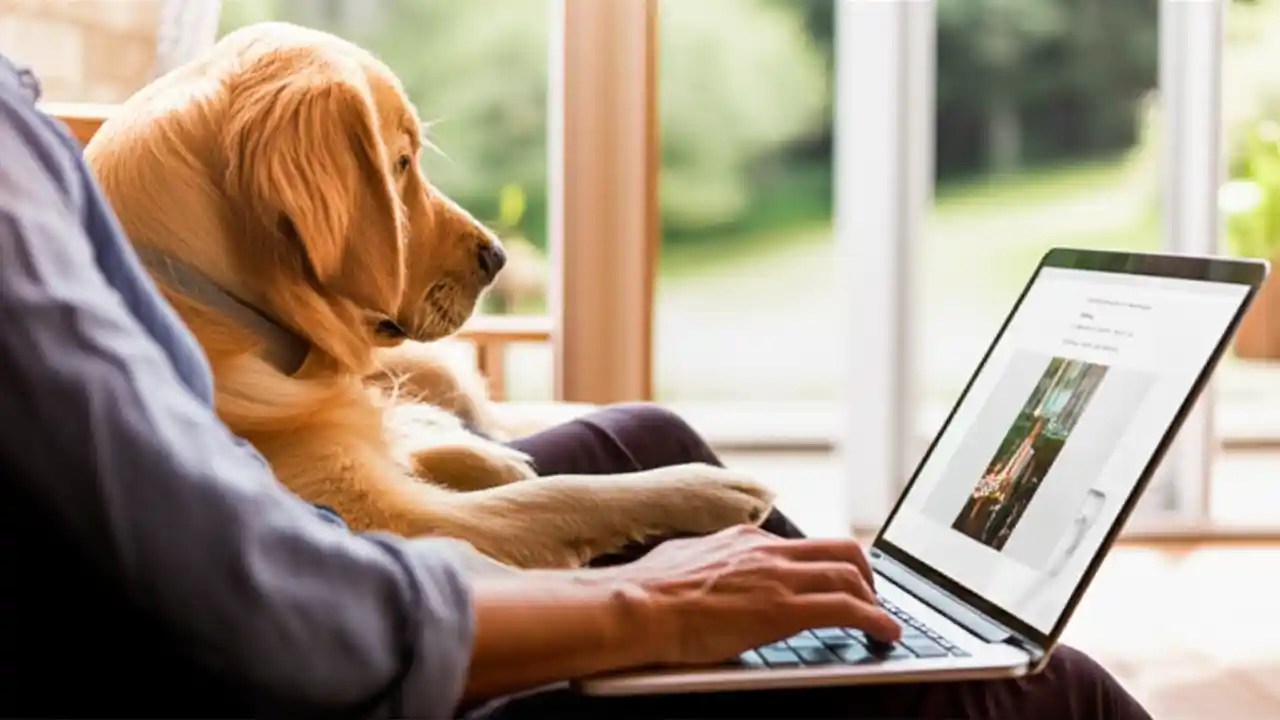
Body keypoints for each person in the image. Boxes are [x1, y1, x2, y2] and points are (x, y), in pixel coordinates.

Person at [0, 54, 1151, 720]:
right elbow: (253, 600)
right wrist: (651, 610)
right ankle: (883, 673)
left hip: (274, 553)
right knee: (1054, 695)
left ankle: (866, 644)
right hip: (302, 665)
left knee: (641, 438)